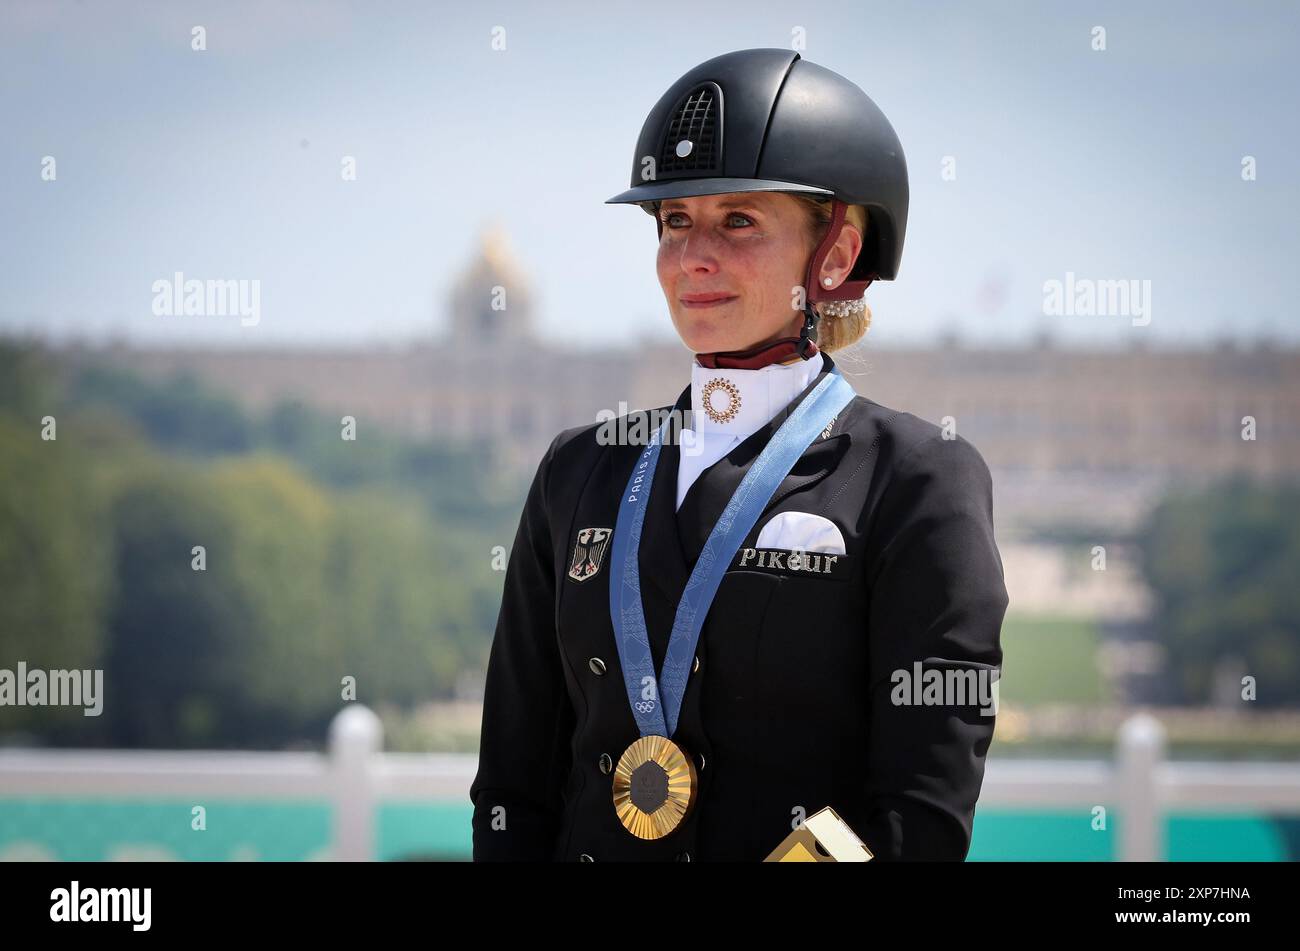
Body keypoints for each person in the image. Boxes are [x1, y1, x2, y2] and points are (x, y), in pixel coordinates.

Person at [469, 48, 1008, 861]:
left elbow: (917, 820)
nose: (694, 257)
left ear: (836, 254)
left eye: (739, 221)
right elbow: (515, 789)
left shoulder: (919, 480)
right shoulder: (577, 471)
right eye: (675, 222)